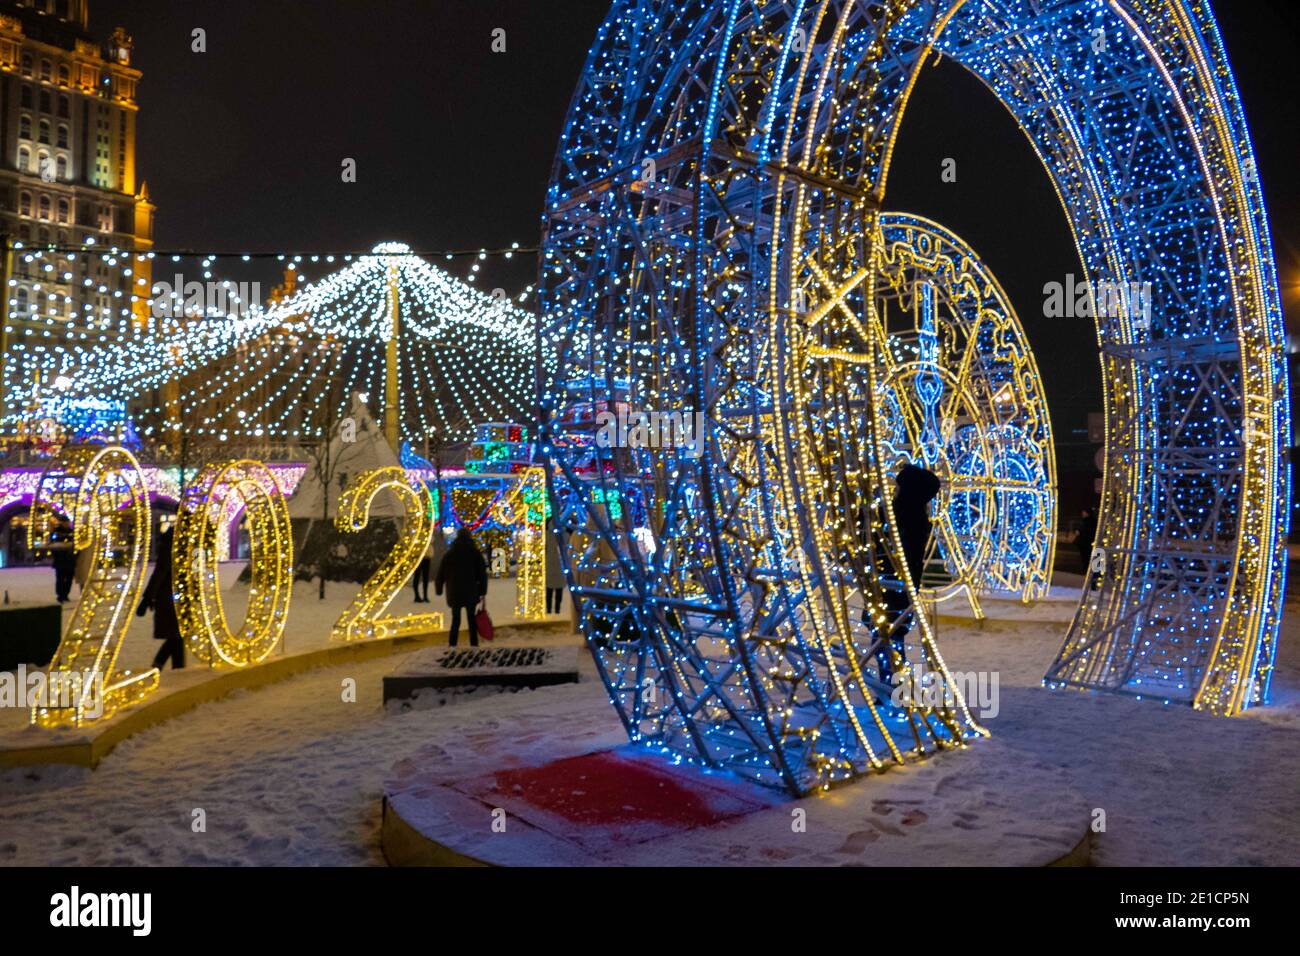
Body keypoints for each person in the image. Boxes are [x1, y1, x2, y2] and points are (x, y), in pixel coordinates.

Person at [876, 463, 941, 685]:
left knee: (888, 639)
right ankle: (892, 687)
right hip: (893, 587)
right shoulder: (907, 517)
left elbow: (893, 551)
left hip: (896, 588)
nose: (895, 492)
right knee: (887, 639)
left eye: (899, 488)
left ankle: (893, 688)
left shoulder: (908, 520)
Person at [136, 527, 185, 670]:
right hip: (173, 595)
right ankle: (165, 668)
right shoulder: (178, 540)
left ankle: (169, 668)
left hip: (174, 595)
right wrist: (148, 598)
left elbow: (161, 570)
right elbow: (162, 570)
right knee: (176, 636)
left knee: (177, 636)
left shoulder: (177, 539)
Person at [435, 528, 488, 647]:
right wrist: (483, 591)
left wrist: (439, 589)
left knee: (456, 620)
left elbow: (441, 573)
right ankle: (474, 644)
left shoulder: (450, 553)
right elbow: (482, 574)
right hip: (471, 592)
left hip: (454, 592)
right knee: (471, 619)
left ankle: (452, 644)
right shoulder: (475, 553)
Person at [48, 517, 76, 603]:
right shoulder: (57, 532)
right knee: (60, 578)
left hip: (69, 559)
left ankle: (65, 595)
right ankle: (60, 595)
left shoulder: (72, 532)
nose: (66, 524)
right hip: (60, 559)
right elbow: (52, 544)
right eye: (65, 522)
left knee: (68, 579)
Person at [544, 523, 566, 614]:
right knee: (558, 590)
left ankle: (549, 609)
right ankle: (557, 610)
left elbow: (545, 550)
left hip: (550, 565)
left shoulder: (546, 535)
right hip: (560, 566)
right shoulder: (564, 535)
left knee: (549, 590)